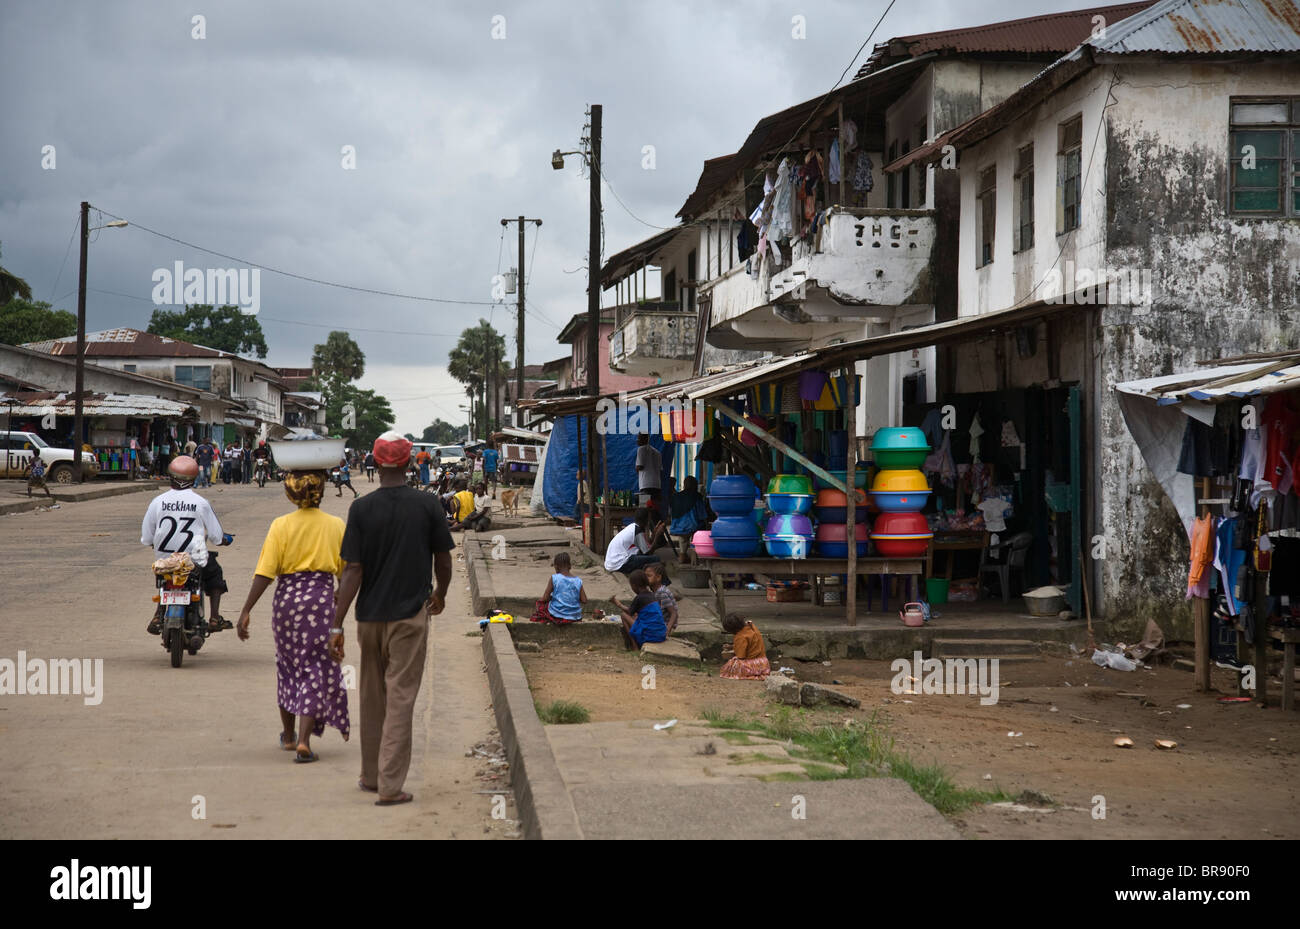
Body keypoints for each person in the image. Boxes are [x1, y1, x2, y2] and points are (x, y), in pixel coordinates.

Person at [332, 432, 454, 806]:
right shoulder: (428, 505)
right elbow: (443, 559)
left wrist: (336, 624)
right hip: (409, 616)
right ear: (409, 462)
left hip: (368, 618)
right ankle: (389, 786)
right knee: (400, 698)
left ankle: (371, 777)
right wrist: (440, 594)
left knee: (372, 698)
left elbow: (352, 570)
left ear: (375, 462)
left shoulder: (361, 509)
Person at [235, 470, 350, 762]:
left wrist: (246, 609)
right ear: (321, 493)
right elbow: (345, 571)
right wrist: (340, 598)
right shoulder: (335, 525)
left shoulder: (280, 525)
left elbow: (265, 572)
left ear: (291, 494)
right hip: (321, 601)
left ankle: (287, 736)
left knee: (288, 665)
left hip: (286, 602)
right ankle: (303, 741)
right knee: (315, 667)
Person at [141, 455, 232, 635]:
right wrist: (224, 540)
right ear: (193, 478)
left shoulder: (157, 502)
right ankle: (214, 618)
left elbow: (147, 537)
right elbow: (215, 535)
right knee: (214, 573)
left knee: (165, 580)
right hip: (193, 561)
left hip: (166, 561)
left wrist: (154, 543)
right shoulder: (200, 502)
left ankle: (159, 614)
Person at [611, 569, 667, 650]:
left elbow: (629, 612)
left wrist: (617, 603)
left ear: (634, 585)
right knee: (636, 617)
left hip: (650, 636)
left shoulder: (639, 598)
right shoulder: (652, 595)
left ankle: (635, 646)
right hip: (661, 635)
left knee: (623, 616)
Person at [603, 507, 666, 575]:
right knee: (655, 559)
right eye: (648, 519)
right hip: (619, 564)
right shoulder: (637, 531)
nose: (649, 521)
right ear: (645, 520)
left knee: (644, 557)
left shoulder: (633, 527)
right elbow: (648, 552)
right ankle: (662, 583)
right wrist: (657, 536)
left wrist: (654, 534)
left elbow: (646, 546)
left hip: (613, 562)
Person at [530, 551, 586, 624]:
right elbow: (584, 600)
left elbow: (545, 598)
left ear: (556, 567)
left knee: (540, 604)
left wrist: (543, 599)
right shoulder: (578, 581)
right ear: (570, 566)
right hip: (575, 616)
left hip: (557, 615)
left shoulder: (555, 578)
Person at [719, 612, 770, 680]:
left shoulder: (740, 636)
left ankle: (750, 674)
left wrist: (734, 650)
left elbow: (741, 656)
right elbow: (751, 645)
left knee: (730, 665)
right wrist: (732, 646)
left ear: (733, 630)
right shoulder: (751, 626)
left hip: (753, 665)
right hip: (764, 664)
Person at [645, 562, 678, 635]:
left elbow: (673, 613)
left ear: (658, 577)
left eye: (649, 576)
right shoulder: (654, 591)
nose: (646, 578)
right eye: (645, 576)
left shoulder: (662, 593)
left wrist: (668, 630)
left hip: (664, 625)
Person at [635, 432, 663, 511]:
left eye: (639, 438)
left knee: (644, 509)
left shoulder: (641, 449)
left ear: (645, 439)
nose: (637, 440)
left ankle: (645, 523)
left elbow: (640, 466)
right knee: (655, 509)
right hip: (657, 486)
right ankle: (656, 523)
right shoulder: (658, 453)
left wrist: (636, 469)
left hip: (646, 486)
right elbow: (660, 470)